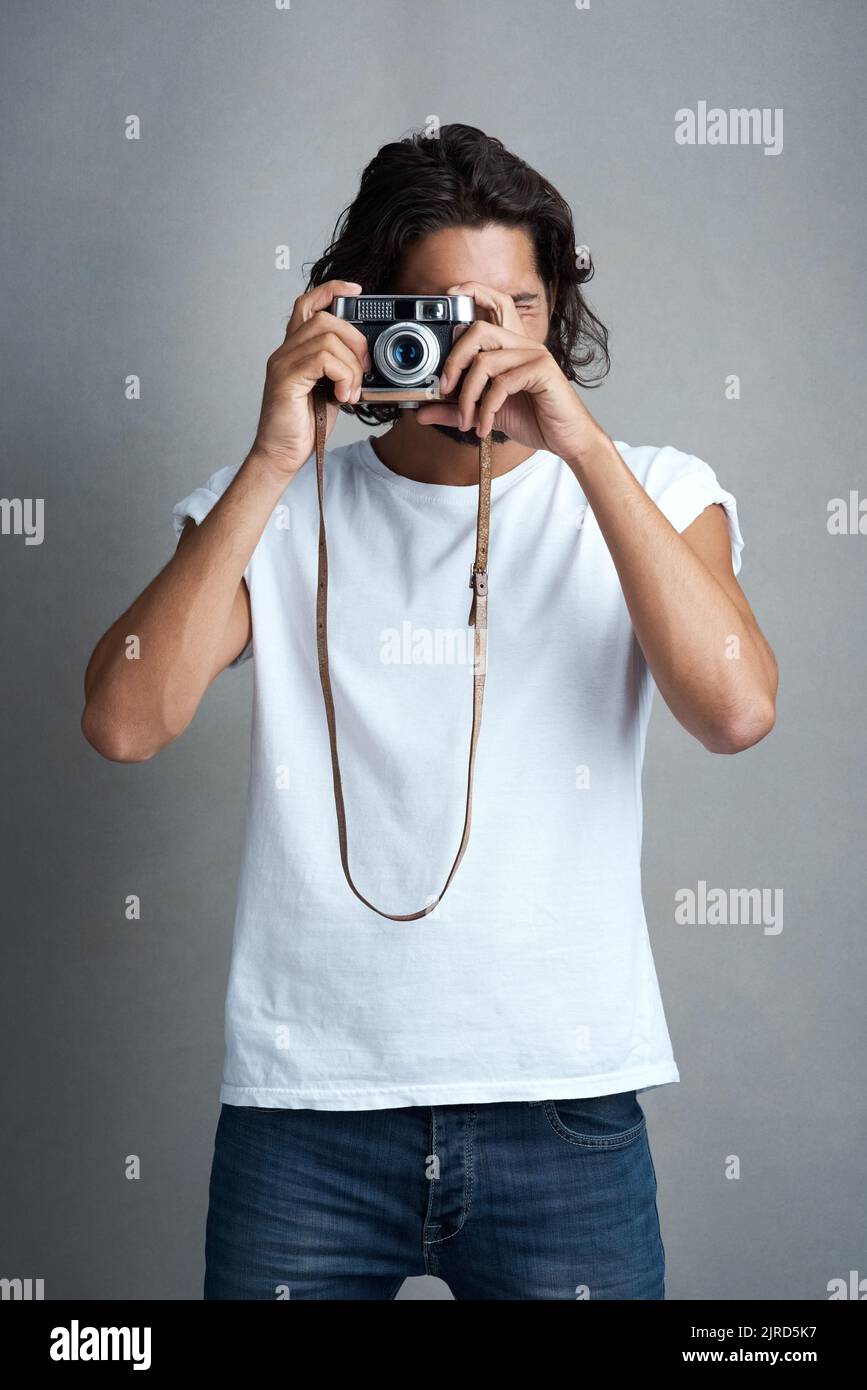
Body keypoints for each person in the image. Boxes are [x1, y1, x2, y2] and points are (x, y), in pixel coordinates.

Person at [81, 123, 778, 1300]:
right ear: (360, 312)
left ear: (558, 313)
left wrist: (575, 441)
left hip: (561, 1103)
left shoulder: (657, 490)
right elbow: (124, 721)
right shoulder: (277, 504)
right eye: (448, 311)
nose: (481, 342)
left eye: (517, 306)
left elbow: (736, 708)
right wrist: (270, 459)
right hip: (309, 1113)